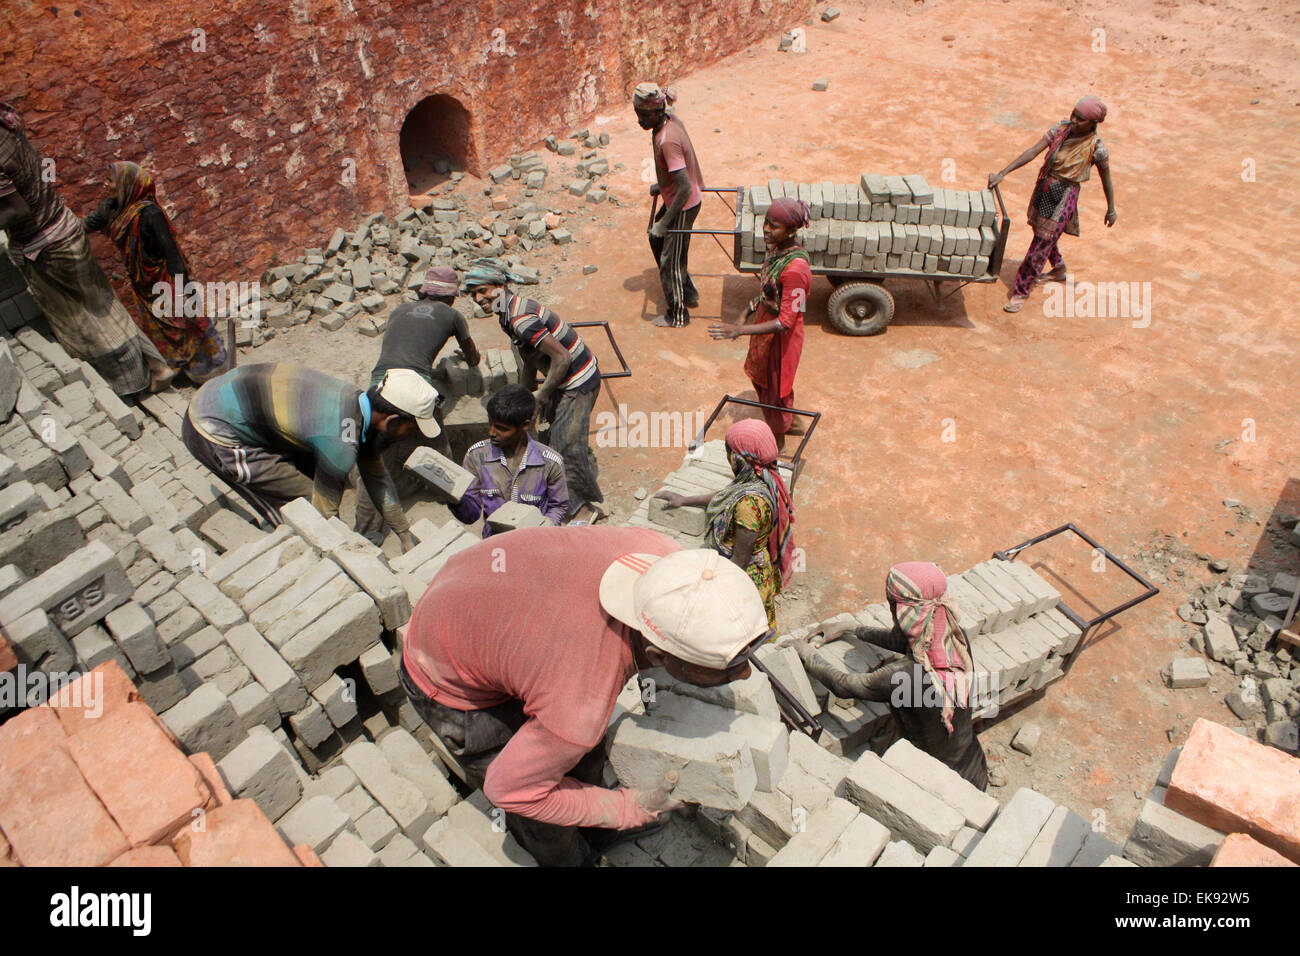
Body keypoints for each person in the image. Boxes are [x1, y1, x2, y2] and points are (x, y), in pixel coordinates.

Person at [399, 527, 773, 865]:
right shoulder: (578, 705)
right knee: (540, 809)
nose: (744, 674)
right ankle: (570, 859)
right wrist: (631, 807)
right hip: (443, 671)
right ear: (659, 657)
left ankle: (598, 828)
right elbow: (507, 789)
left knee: (582, 749)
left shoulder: (666, 560)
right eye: (726, 667)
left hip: (475, 583)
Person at [0, 102, 168, 395]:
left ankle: (131, 387)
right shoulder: (7, 120)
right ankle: (157, 366)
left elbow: (17, 210)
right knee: (104, 304)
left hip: (44, 244)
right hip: (63, 224)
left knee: (86, 322)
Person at [181, 362, 439, 551]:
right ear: (392, 420)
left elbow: (377, 478)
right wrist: (352, 558)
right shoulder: (339, 442)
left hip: (235, 399)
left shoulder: (360, 406)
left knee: (314, 487)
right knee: (304, 508)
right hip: (214, 430)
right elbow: (324, 516)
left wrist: (405, 535)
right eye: (413, 428)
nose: (411, 435)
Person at [787, 561, 990, 789]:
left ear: (901, 610)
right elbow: (901, 641)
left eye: (891, 603)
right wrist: (850, 628)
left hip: (940, 778)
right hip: (970, 758)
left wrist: (804, 652)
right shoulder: (953, 637)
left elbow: (844, 685)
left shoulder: (906, 675)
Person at [462, 260, 604, 519]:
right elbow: (528, 357)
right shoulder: (507, 314)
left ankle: (583, 510)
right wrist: (525, 396)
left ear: (500, 286)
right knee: (558, 436)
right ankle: (582, 469)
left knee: (564, 448)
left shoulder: (520, 318)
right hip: (563, 379)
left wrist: (540, 396)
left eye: (483, 290)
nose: (479, 299)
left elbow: (562, 358)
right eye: (474, 295)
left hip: (578, 380)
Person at [352, 265, 480, 545]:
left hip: (380, 382)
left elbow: (403, 352)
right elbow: (473, 358)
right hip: (412, 386)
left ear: (423, 291)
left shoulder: (399, 310)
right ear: (452, 297)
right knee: (439, 444)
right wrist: (464, 360)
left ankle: (364, 532)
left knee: (373, 459)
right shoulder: (453, 316)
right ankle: (455, 498)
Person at [82, 161, 228, 385]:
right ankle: (180, 369)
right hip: (143, 285)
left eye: (112, 180)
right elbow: (88, 224)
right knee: (163, 330)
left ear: (128, 185)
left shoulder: (150, 214)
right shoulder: (112, 208)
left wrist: (182, 292)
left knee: (186, 324)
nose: (107, 185)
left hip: (165, 281)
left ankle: (211, 371)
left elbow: (173, 255)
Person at [653, 419, 794, 628]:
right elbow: (728, 496)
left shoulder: (749, 505)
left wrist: (707, 594)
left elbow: (739, 562)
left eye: (728, 452)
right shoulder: (761, 479)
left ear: (737, 459)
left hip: (744, 584)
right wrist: (685, 500)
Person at [988, 96, 1117, 313]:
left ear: (1092, 124)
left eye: (1080, 119)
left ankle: (1021, 290)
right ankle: (1059, 269)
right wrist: (1003, 173)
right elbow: (1032, 151)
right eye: (1073, 114)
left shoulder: (1096, 148)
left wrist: (1111, 208)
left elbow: (1107, 179)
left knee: (1041, 243)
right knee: (1042, 233)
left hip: (1063, 197)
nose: (1074, 120)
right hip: (1045, 187)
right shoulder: (1060, 129)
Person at [708, 198, 811, 446]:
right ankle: (792, 423)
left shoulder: (796, 269)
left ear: (791, 231)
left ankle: (777, 441)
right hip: (764, 328)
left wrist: (740, 329)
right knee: (763, 381)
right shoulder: (777, 251)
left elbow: (786, 322)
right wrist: (746, 312)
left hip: (780, 339)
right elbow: (768, 292)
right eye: (766, 222)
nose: (766, 229)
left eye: (773, 226)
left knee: (775, 389)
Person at [452, 384, 568, 536]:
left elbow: (558, 506)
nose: (491, 432)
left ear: (525, 425)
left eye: (501, 428)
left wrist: (545, 529)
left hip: (533, 542)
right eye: (490, 423)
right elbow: (471, 516)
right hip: (494, 543)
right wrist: (454, 500)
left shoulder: (551, 463)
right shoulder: (476, 457)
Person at [634, 82, 705, 328]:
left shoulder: (667, 140)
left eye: (643, 115)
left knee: (670, 261)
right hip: (675, 196)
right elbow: (674, 174)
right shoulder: (668, 120)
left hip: (684, 203)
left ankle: (677, 315)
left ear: (657, 112)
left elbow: (684, 187)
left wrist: (664, 223)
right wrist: (662, 185)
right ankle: (689, 292)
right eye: (637, 114)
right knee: (657, 240)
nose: (639, 120)